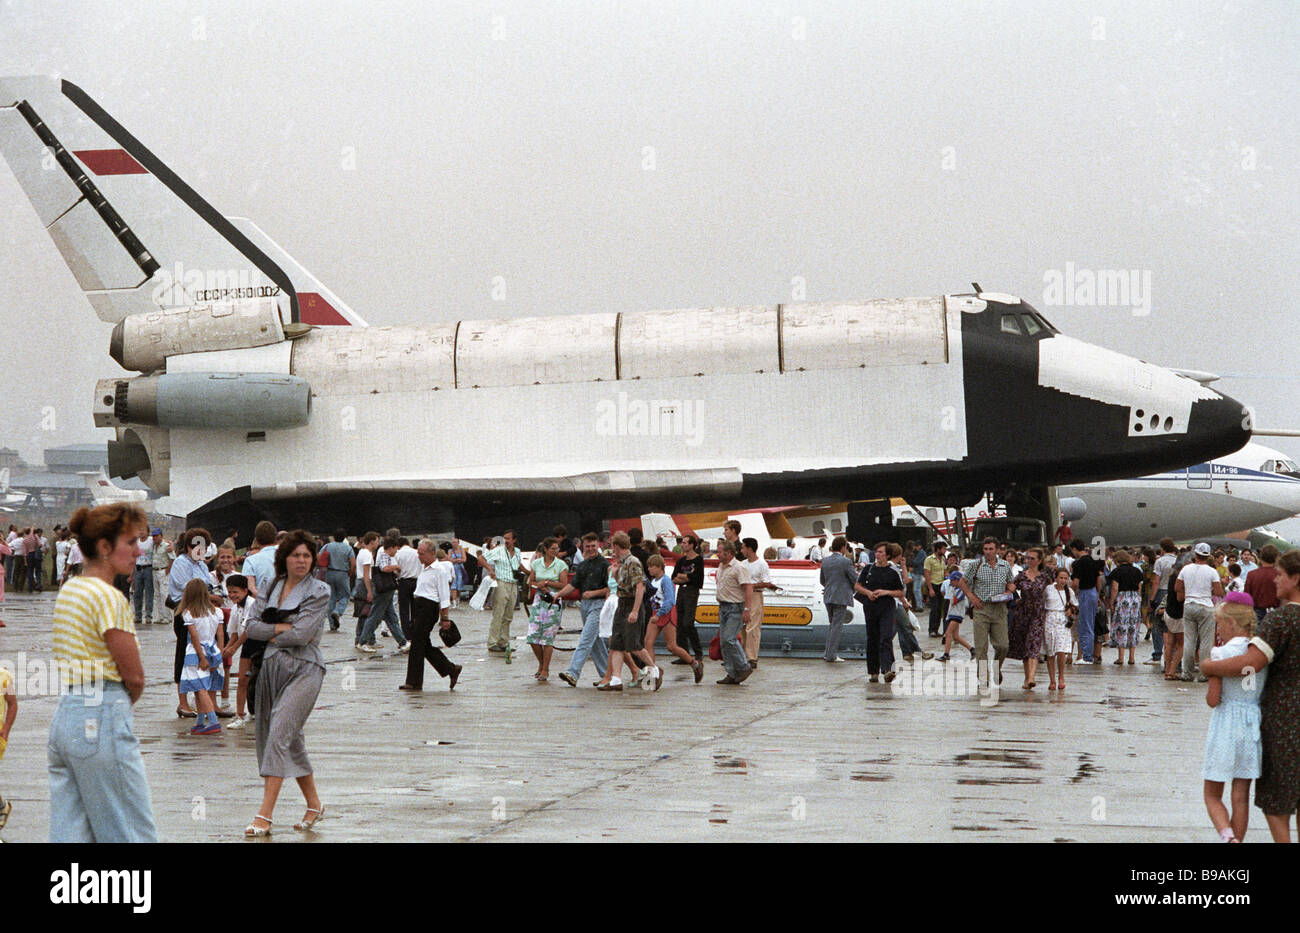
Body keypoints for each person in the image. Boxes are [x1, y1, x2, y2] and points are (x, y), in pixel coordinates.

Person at [48, 503, 157, 842]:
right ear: (105, 547)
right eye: (131, 542)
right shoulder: (109, 598)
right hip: (103, 711)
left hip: (67, 715)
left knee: (72, 833)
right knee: (131, 832)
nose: (138, 550)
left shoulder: (71, 590)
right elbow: (134, 677)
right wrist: (119, 706)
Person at [1201, 549, 1300, 842]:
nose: (1275, 580)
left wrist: (1209, 666)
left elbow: (1249, 664)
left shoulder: (1282, 620)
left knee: (1277, 805)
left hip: (1284, 719)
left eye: (1280, 575)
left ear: (1295, 578)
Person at [241, 529, 330, 837]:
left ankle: (264, 815)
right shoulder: (269, 585)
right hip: (270, 667)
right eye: (296, 555)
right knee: (286, 738)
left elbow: (302, 634)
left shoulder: (319, 590)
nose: (301, 560)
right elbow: (250, 627)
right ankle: (314, 803)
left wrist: (272, 629)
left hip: (305, 668)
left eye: (307, 555)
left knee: (279, 732)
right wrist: (280, 626)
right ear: (285, 558)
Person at [1200, 595, 1265, 842]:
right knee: (1241, 795)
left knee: (1212, 793)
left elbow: (1213, 699)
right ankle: (1239, 838)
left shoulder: (1219, 654)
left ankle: (1227, 836)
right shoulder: (1257, 651)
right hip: (1252, 723)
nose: (1217, 629)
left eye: (1219, 623)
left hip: (1226, 723)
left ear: (1231, 623)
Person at [169, 528, 219, 718]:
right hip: (185, 613)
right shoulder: (180, 564)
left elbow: (210, 584)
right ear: (189, 546)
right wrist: (209, 594)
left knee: (203, 654)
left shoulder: (202, 566)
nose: (201, 552)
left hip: (203, 614)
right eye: (198, 548)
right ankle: (183, 703)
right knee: (184, 655)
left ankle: (204, 701)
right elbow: (187, 589)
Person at [400, 540, 462, 692]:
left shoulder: (439, 570)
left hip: (429, 608)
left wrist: (445, 617)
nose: (419, 557)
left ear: (432, 554)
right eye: (418, 553)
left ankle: (414, 682)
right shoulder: (423, 568)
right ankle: (451, 669)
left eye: (422, 554)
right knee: (423, 645)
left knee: (416, 644)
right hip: (418, 606)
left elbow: (444, 595)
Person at [595, 532, 654, 691]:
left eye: (613, 547)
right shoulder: (621, 563)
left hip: (631, 604)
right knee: (616, 643)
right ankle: (616, 680)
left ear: (617, 546)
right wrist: (615, 574)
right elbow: (622, 585)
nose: (612, 551)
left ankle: (653, 669)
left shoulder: (633, 562)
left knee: (633, 645)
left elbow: (640, 586)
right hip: (621, 603)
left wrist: (635, 611)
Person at [957, 537, 1016, 689]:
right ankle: (984, 677)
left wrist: (1010, 590)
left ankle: (997, 668)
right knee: (981, 647)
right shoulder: (975, 565)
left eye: (991, 549)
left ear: (997, 550)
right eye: (986, 549)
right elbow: (962, 582)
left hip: (1000, 608)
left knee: (1003, 645)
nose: (988, 552)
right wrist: (971, 597)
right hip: (981, 608)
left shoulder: (1004, 566)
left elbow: (1010, 583)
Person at [556, 533, 611, 687]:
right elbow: (573, 585)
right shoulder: (583, 565)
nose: (591, 549)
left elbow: (610, 588)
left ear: (598, 546)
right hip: (585, 606)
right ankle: (608, 675)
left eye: (593, 546)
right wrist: (558, 595)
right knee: (596, 643)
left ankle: (573, 673)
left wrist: (594, 593)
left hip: (599, 604)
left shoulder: (605, 565)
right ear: (583, 547)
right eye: (588, 546)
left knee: (586, 639)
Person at [643, 554, 702, 684]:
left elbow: (669, 601)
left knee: (671, 646)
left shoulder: (666, 581)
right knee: (647, 642)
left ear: (659, 567)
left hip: (666, 613)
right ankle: (654, 672)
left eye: (651, 567)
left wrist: (659, 614)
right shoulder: (653, 581)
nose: (649, 569)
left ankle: (694, 663)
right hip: (656, 613)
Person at [178, 577, 225, 735]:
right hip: (213, 649)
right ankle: (200, 721)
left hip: (196, 653)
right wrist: (219, 653)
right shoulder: (216, 611)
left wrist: (202, 657)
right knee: (202, 687)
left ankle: (212, 721)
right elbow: (220, 634)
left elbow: (195, 637)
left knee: (199, 687)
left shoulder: (189, 613)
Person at [855, 542, 905, 684]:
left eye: (881, 552)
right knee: (872, 638)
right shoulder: (868, 568)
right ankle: (873, 672)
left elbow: (901, 591)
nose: (878, 554)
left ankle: (887, 669)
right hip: (871, 606)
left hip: (887, 606)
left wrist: (886, 592)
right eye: (876, 552)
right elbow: (857, 585)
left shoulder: (893, 571)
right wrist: (868, 593)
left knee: (886, 637)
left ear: (888, 555)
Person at [1178, 543, 1225, 682]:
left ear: (1195, 554)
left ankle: (1187, 673)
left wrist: (1190, 592)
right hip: (1205, 605)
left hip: (1189, 604)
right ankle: (1204, 674)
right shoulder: (1212, 571)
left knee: (1189, 640)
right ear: (1208, 555)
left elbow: (1177, 586)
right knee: (1206, 641)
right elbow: (1218, 592)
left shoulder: (1186, 569)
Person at [525, 537, 568, 681]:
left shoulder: (561, 564)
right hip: (539, 600)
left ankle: (545, 669)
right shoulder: (536, 563)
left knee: (547, 638)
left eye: (557, 549)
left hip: (553, 601)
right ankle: (541, 662)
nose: (555, 552)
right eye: (552, 549)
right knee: (532, 636)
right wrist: (539, 585)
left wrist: (548, 583)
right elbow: (530, 582)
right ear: (545, 549)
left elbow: (564, 584)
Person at [711, 539, 754, 685]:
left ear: (729, 553)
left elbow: (748, 588)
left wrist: (747, 609)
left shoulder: (738, 568)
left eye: (720, 552)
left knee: (730, 638)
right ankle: (732, 672)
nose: (717, 555)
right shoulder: (721, 567)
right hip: (723, 606)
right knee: (724, 641)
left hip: (735, 607)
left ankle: (743, 666)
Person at [1009, 547, 1049, 689]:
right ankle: (1027, 679)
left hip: (1038, 614)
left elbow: (1052, 593)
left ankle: (1032, 677)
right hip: (1022, 614)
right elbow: (1010, 590)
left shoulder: (1045, 577)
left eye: (1032, 558)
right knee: (1025, 646)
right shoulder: (1021, 576)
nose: (1029, 561)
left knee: (1034, 644)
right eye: (1027, 558)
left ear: (1039, 560)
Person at [358, 535, 407, 653]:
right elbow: (384, 568)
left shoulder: (381, 554)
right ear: (391, 548)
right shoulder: (384, 555)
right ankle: (362, 641)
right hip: (384, 590)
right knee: (375, 616)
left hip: (386, 591)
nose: (396, 551)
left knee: (391, 617)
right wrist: (396, 567)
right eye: (396, 549)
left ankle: (403, 642)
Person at [480, 530, 523, 653]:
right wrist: (491, 570)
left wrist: (528, 573)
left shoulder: (518, 552)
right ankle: (492, 642)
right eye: (505, 538)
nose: (506, 541)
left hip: (513, 584)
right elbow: (482, 558)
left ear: (514, 540)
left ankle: (503, 641)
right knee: (498, 613)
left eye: (508, 538)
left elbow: (518, 565)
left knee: (508, 615)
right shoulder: (498, 550)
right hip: (501, 583)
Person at [740, 538, 776, 668]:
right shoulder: (743, 564)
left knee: (752, 626)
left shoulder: (762, 564)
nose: (741, 550)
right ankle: (744, 654)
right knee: (743, 627)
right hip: (743, 596)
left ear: (749, 548)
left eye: (743, 547)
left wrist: (750, 586)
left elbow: (766, 582)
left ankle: (752, 657)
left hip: (755, 595)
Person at [820, 536, 857, 662]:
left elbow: (822, 580)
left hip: (828, 596)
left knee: (832, 625)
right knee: (837, 626)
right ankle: (831, 655)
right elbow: (854, 579)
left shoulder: (825, 561)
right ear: (843, 547)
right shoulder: (845, 562)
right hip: (841, 597)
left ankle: (827, 652)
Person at [1107, 550, 1146, 665]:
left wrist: (1112, 602)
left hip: (1122, 598)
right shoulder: (1137, 571)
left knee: (1121, 626)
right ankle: (1132, 657)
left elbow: (1114, 588)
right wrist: (1138, 598)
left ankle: (1121, 657)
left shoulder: (1116, 572)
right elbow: (1139, 587)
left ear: (1117, 561)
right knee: (1133, 626)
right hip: (1134, 598)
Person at [671, 535, 705, 664]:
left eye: (685, 543)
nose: (683, 545)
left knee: (688, 623)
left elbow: (696, 579)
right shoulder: (681, 561)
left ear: (691, 545)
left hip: (692, 591)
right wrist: (685, 577)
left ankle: (698, 652)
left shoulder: (698, 560)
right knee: (679, 623)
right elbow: (674, 577)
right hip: (682, 591)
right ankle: (683, 653)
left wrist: (684, 577)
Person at [1069, 540, 1104, 665]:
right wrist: (1098, 594)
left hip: (1084, 593)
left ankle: (1087, 656)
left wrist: (1071, 593)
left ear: (1074, 549)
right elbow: (1098, 580)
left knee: (1085, 625)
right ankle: (1088, 654)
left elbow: (1075, 583)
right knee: (1089, 623)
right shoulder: (1094, 561)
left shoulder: (1078, 564)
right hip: (1093, 592)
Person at [1043, 567, 1078, 690]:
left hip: (1063, 620)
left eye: (1065, 578)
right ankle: (1052, 679)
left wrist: (1071, 610)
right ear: (1056, 578)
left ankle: (1061, 677)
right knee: (1050, 651)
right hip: (1049, 619)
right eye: (1061, 578)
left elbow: (1076, 606)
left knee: (1061, 650)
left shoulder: (1069, 591)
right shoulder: (1048, 589)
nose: (1063, 580)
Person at [321, 529, 355, 632]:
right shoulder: (348, 548)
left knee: (331, 597)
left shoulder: (327, 546)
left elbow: (319, 557)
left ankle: (332, 624)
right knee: (345, 595)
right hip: (343, 573)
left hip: (330, 572)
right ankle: (338, 611)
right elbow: (353, 563)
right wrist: (350, 572)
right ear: (344, 537)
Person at [1244, 544, 1280, 623]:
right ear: (1276, 558)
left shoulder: (1251, 574)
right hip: (1276, 611)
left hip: (1256, 611)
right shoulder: (1280, 575)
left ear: (1261, 557)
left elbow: (1247, 596)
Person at [924, 541, 949, 636]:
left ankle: (938, 629)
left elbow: (944, 571)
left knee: (941, 608)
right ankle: (932, 630)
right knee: (934, 608)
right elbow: (927, 574)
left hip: (941, 585)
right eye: (943, 549)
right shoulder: (929, 559)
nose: (945, 551)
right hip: (933, 584)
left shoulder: (943, 559)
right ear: (938, 549)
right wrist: (930, 588)